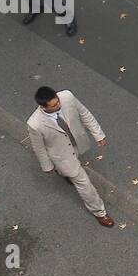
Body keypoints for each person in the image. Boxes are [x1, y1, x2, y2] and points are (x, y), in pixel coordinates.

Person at [26, 86, 113, 226]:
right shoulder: (34, 124)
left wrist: (98, 134)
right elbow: (39, 147)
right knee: (84, 184)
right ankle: (99, 212)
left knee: (69, 168)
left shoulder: (67, 96)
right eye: (54, 106)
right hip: (62, 155)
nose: (59, 105)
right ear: (43, 107)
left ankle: (64, 173)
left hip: (78, 143)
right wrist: (47, 165)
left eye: (58, 101)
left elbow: (84, 113)